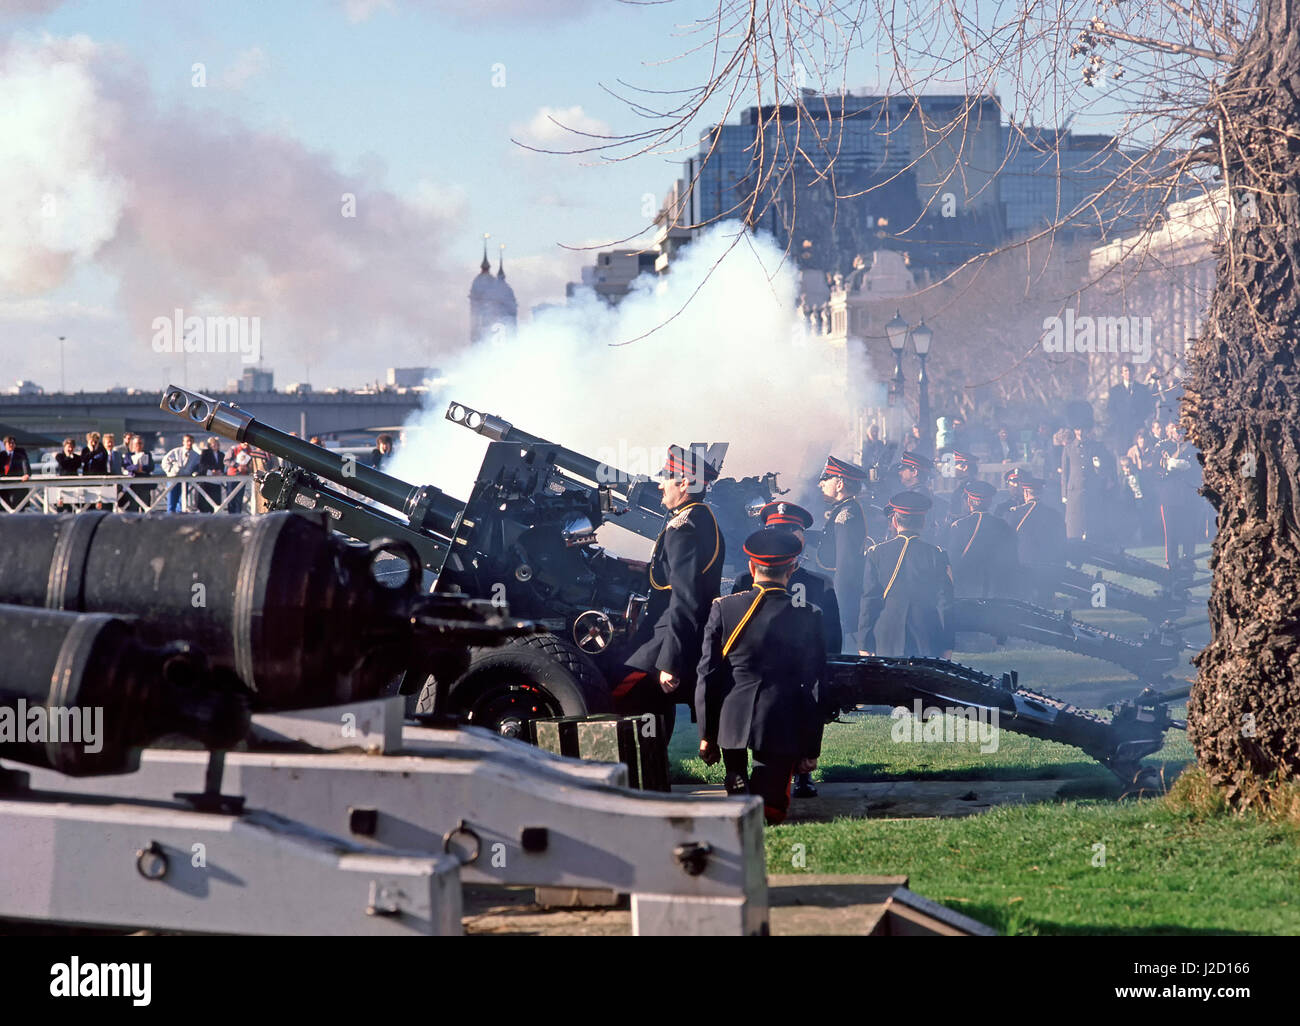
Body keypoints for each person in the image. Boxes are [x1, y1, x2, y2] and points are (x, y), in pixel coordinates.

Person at [697, 528, 828, 826]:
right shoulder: (809, 615)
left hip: (732, 721)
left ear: (751, 567)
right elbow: (816, 685)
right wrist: (811, 748)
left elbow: (707, 675)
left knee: (740, 804)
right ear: (792, 569)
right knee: (771, 809)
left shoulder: (724, 608)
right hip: (782, 721)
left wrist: (707, 734)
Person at [731, 500, 839, 798]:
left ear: (803, 537)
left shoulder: (819, 583)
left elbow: (831, 635)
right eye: (777, 530)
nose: (785, 536)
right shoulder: (744, 582)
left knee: (805, 714)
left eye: (792, 530)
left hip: (801, 670)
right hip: (757, 666)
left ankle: (802, 773)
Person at [617, 445, 725, 738]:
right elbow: (684, 578)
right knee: (652, 708)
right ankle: (652, 775)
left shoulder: (683, 528)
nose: (660, 484)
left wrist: (670, 663)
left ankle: (639, 775)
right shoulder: (700, 518)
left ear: (686, 483)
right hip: (675, 633)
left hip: (666, 635)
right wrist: (648, 568)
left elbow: (685, 598)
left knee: (620, 691)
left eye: (667, 477)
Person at [858, 492, 954, 658]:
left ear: (894, 521)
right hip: (926, 634)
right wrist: (947, 645)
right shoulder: (937, 554)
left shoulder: (876, 553)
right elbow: (944, 603)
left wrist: (864, 642)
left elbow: (869, 601)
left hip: (886, 635)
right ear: (923, 522)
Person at [814, 455, 870, 653]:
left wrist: (839, 608)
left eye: (826, 478)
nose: (821, 484)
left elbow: (846, 567)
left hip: (843, 599)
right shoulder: (844, 510)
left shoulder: (847, 516)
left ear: (839, 484)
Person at [946, 479, 1018, 598]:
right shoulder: (1003, 525)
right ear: (989, 502)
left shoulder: (959, 526)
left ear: (969, 500)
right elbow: (1012, 559)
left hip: (967, 587)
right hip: (996, 588)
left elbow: (953, 560)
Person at [1059, 403, 1117, 543]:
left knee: (1092, 524)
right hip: (1074, 492)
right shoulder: (1068, 449)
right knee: (1075, 526)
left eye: (1083, 429)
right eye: (1077, 429)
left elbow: (1107, 469)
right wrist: (1064, 494)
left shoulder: (1097, 446)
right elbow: (1065, 474)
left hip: (1092, 490)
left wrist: (1100, 468)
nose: (1080, 432)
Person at [1008, 474, 1066, 606]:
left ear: (1026, 493)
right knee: (1045, 605)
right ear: (1042, 493)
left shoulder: (1015, 514)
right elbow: (1062, 544)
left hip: (1023, 567)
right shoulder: (1055, 515)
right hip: (1049, 567)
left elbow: (1008, 543)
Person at [162, 434, 202, 512]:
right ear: (183, 442)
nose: (189, 443)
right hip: (173, 479)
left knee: (182, 502)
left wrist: (195, 473)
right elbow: (164, 463)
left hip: (185, 480)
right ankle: (169, 519)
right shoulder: (175, 451)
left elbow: (198, 467)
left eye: (190, 441)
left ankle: (179, 520)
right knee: (171, 502)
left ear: (193, 442)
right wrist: (171, 471)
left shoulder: (196, 455)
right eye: (187, 441)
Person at [123, 436, 156, 511]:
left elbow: (151, 466)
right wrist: (136, 468)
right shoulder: (128, 455)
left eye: (141, 443)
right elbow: (126, 466)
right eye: (137, 443)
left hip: (144, 484)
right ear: (133, 445)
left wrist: (143, 468)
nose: (139, 445)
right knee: (133, 507)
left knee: (146, 506)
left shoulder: (147, 454)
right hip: (133, 485)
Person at [1, 436, 32, 513]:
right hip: (3, 488)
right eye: (9, 443)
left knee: (18, 509)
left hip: (17, 487)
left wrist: (26, 474)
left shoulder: (20, 454)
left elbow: (25, 464)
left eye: (13, 443)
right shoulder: (1, 455)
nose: (11, 444)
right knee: (4, 509)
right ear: (5, 445)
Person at [198, 436, 226, 512]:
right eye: (213, 443)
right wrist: (211, 471)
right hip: (206, 482)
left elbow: (222, 466)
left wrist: (220, 471)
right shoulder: (205, 453)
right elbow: (202, 465)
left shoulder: (221, 454)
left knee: (216, 503)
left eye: (216, 443)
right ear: (210, 445)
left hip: (217, 482)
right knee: (205, 504)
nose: (215, 445)